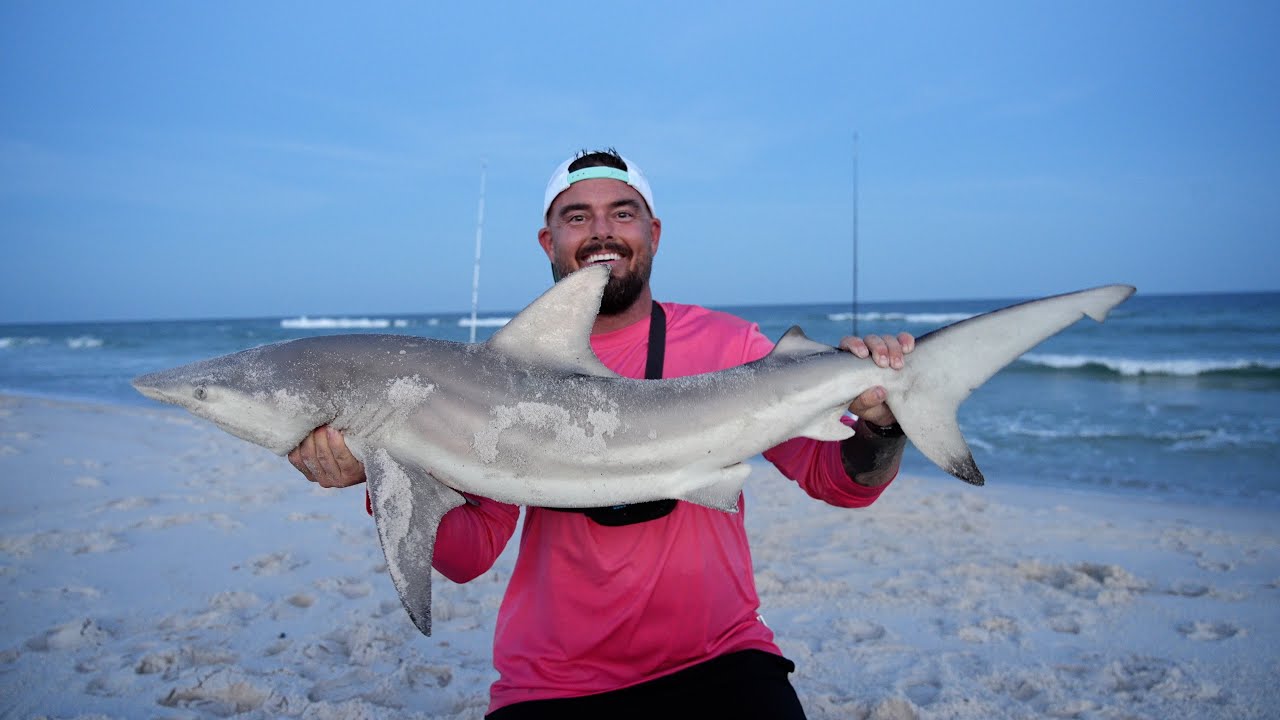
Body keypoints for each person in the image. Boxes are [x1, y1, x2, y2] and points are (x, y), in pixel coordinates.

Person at [289, 149, 914, 719]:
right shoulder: (494, 379)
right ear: (549, 240)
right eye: (576, 216)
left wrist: (883, 425)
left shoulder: (729, 347)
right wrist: (380, 468)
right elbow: (469, 553)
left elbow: (839, 483)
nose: (601, 231)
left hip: (722, 657)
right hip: (555, 681)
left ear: (653, 232)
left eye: (622, 212)